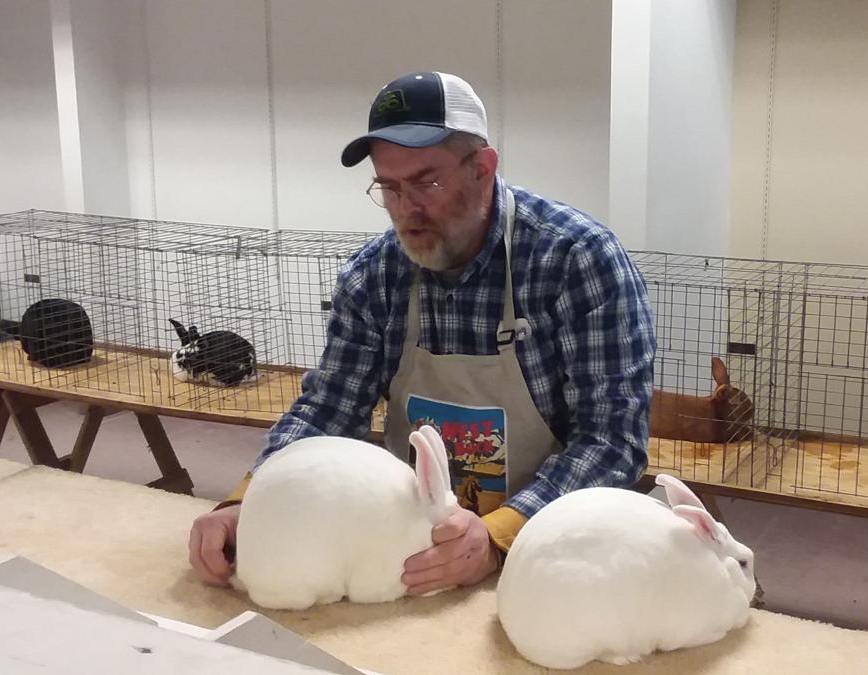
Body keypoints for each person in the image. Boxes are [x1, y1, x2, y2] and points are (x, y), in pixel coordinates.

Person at [188, 71, 656, 595]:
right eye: (388, 186)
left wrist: (499, 534)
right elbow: (328, 411)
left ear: (482, 169)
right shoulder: (375, 276)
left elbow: (612, 440)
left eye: (426, 182)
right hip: (411, 551)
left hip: (553, 552)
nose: (406, 209)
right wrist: (249, 503)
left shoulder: (576, 261)